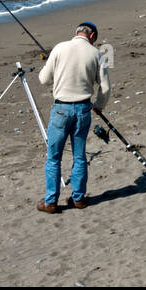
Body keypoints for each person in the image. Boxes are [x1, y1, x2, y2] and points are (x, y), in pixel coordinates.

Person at [37, 21, 110, 214]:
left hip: (61, 109)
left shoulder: (60, 48)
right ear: (92, 35)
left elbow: (43, 79)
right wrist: (99, 105)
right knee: (79, 156)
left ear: (77, 33)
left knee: (54, 158)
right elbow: (105, 87)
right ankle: (78, 198)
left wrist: (51, 65)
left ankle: (51, 201)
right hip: (84, 109)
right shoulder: (97, 54)